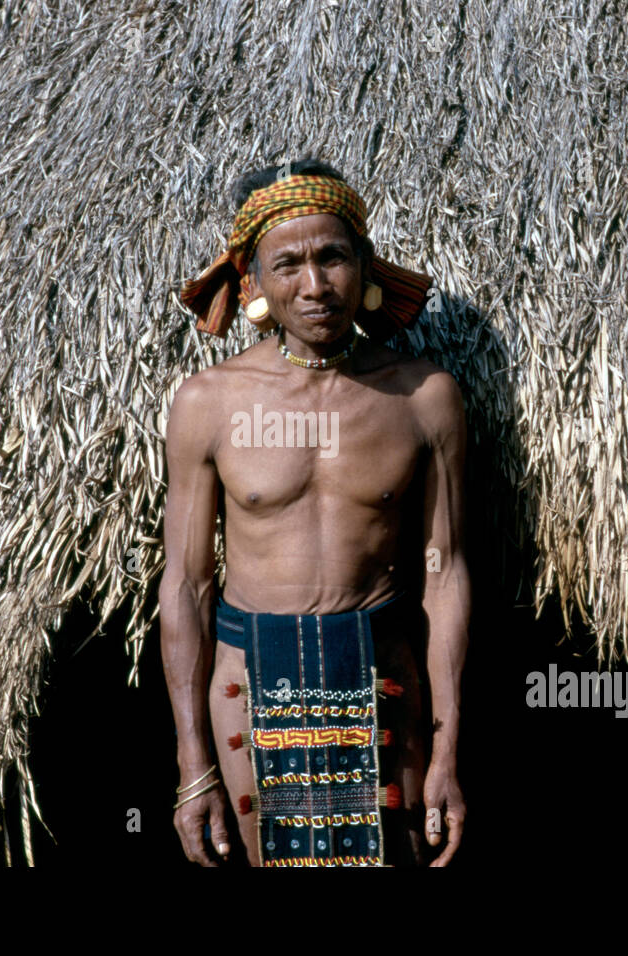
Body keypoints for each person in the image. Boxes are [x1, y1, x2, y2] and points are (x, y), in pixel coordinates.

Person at [160, 159, 468, 866]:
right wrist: (191, 766)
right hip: (251, 680)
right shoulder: (209, 403)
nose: (314, 285)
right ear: (253, 283)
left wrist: (448, 752)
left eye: (332, 257)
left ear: (364, 266)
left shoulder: (424, 398)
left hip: (383, 676)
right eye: (288, 263)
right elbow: (185, 586)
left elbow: (445, 575)